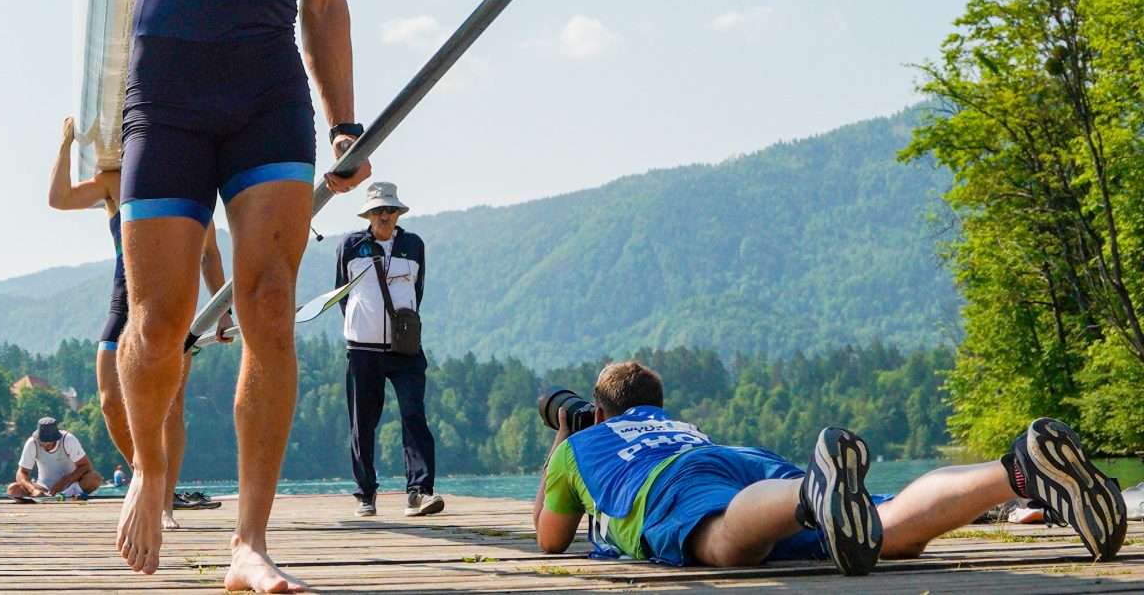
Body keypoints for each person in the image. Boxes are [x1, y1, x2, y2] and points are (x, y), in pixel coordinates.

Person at [36, 0, 371, 593]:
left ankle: (250, 544)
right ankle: (150, 465)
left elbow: (327, 0)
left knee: (269, 307)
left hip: (270, 94)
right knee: (159, 321)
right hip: (170, 95)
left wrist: (343, 121)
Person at [533, 360, 1129, 575]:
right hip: (740, 461)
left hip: (676, 485)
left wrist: (557, 449)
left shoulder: (583, 445)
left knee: (720, 543)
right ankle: (1019, 470)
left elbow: (551, 538)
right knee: (884, 528)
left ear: (599, 409)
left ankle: (811, 496)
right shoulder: (673, 426)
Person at [48, 118, 233, 530]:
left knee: (171, 408)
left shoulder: (193, 187)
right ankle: (144, 475)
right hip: (124, 304)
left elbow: (209, 256)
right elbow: (58, 198)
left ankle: (163, 504)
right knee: (111, 403)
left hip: (174, 309)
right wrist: (65, 143)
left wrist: (224, 309)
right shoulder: (115, 180)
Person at [336, 180, 440, 518]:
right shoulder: (351, 246)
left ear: (398, 213)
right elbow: (341, 295)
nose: (385, 215)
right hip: (362, 349)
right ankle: (365, 494)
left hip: (405, 349)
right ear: (368, 213)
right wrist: (360, 325)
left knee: (414, 415)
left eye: (391, 209)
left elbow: (417, 291)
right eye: (379, 210)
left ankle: (420, 491)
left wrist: (401, 327)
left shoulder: (414, 245)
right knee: (363, 422)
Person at [8, 416, 102, 500]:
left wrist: (64, 481)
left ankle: (66, 495)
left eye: (49, 441)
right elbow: (21, 473)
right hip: (43, 487)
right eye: (43, 440)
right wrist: (32, 489)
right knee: (13, 489)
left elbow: (86, 467)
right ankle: (43, 497)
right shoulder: (32, 443)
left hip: (69, 486)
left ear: (56, 437)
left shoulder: (68, 440)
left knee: (95, 478)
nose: (46, 443)